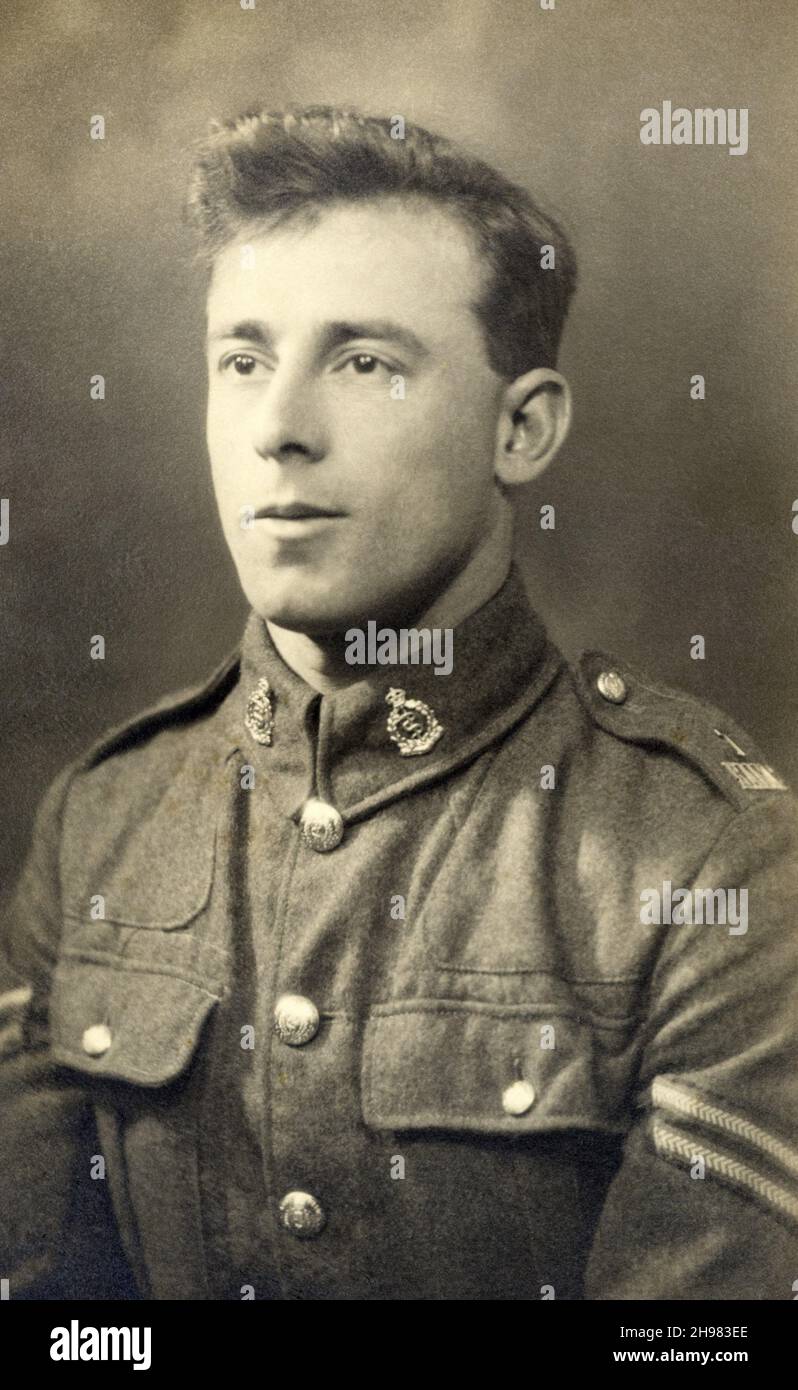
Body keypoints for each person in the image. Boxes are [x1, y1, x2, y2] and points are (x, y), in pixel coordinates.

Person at [1, 105, 796, 1301]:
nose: (278, 430)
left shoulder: (709, 856)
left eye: (364, 362)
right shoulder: (103, 819)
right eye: (244, 361)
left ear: (520, 427)